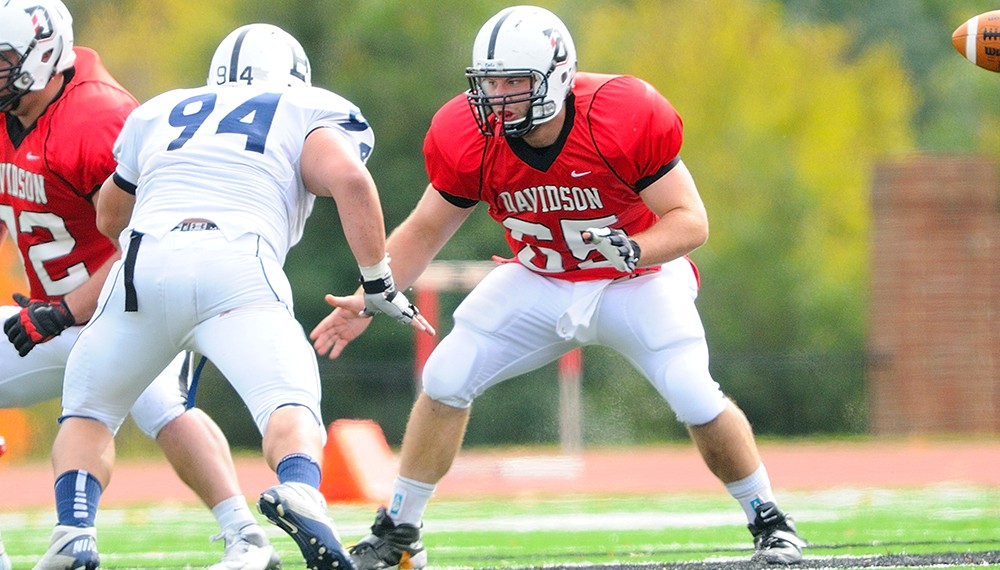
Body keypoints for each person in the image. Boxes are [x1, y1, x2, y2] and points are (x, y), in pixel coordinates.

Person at [310, 5, 808, 568]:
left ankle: (770, 520)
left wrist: (634, 249)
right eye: (489, 82)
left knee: (693, 391)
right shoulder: (470, 135)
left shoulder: (621, 116)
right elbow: (426, 228)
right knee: (446, 376)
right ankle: (401, 529)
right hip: (543, 277)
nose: (499, 96)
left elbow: (691, 220)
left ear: (558, 75)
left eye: (514, 82)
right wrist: (373, 291)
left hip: (636, 279)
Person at [33, 21, 432, 570]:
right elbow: (351, 180)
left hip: (144, 261)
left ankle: (73, 533)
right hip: (237, 258)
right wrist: (377, 282)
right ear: (296, 78)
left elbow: (109, 215)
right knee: (287, 402)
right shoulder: (303, 109)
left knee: (89, 413)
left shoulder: (160, 111)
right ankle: (298, 487)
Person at [0, 2, 279, 569]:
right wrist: (56, 312)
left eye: (3, 60)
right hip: (48, 312)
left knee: (161, 405)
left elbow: (153, 228)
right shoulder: (12, 114)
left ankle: (246, 537)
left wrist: (70, 308)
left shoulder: (97, 118)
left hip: (130, 303)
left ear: (45, 54)